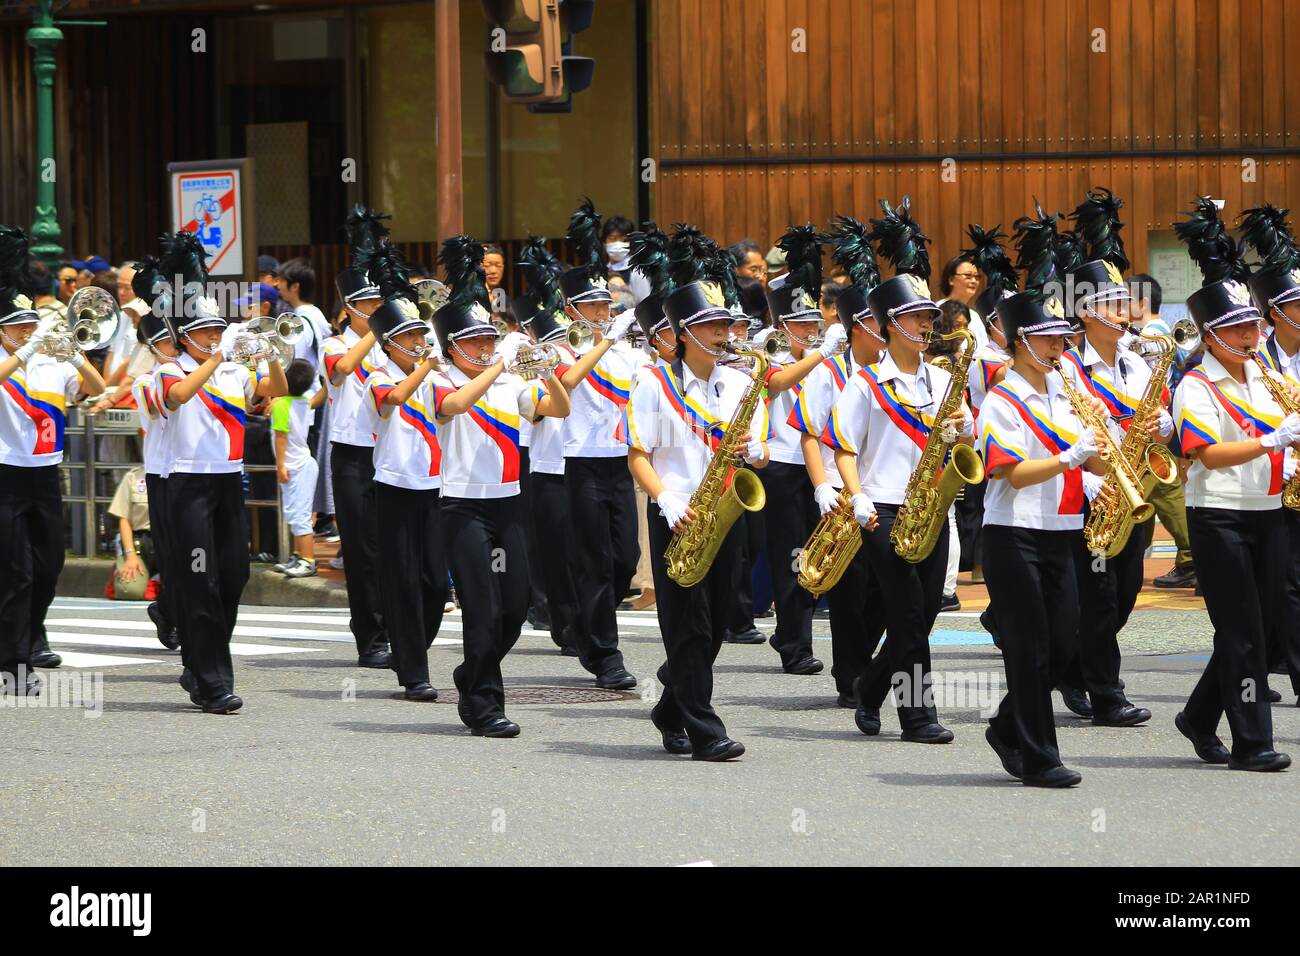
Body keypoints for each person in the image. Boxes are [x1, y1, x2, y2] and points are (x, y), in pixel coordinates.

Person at [825, 196, 970, 743]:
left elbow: (958, 439)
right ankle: (918, 715)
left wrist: (961, 430)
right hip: (883, 507)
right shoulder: (865, 384)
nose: (926, 324)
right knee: (908, 610)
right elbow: (843, 446)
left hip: (934, 505)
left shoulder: (939, 379)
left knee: (925, 612)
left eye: (929, 316)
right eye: (915, 317)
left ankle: (870, 686)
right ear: (890, 325)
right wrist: (855, 495)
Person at [625, 232, 770, 761]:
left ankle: (670, 709)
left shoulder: (737, 385)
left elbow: (761, 452)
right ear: (685, 333)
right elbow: (638, 454)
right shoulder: (655, 384)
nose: (724, 332)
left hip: (725, 511)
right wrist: (665, 501)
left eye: (725, 324)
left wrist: (757, 452)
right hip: (678, 511)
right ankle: (706, 730)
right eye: (713, 325)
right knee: (689, 625)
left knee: (714, 628)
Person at [430, 235, 571, 738]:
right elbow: (454, 408)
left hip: (509, 504)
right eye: (475, 341)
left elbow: (558, 409)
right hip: (462, 508)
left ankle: (470, 675)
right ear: (452, 347)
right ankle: (485, 704)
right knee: (483, 609)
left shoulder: (510, 383)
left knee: (513, 609)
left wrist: (549, 368)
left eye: (489, 339)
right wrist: (497, 366)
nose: (486, 347)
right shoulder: (442, 380)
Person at [1171, 196, 1292, 771]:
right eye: (1239, 329)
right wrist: (1274, 441)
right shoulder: (1195, 385)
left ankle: (1198, 716)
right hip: (1220, 513)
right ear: (1213, 335)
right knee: (1241, 632)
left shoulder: (1266, 379)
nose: (1252, 336)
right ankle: (1253, 742)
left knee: (1258, 628)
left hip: (1269, 508)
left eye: (1254, 325)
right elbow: (1208, 453)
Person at [153, 231, 286, 714]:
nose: (215, 336)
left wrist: (267, 348)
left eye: (218, 329)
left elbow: (276, 389)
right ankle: (211, 680)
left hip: (229, 480)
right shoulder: (167, 370)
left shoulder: (234, 371)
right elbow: (179, 397)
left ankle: (199, 660)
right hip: (187, 483)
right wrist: (215, 357)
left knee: (232, 577)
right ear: (186, 337)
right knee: (198, 580)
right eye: (206, 332)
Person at [979, 288, 1106, 788]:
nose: (1060, 346)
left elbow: (1092, 459)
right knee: (1029, 647)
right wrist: (1069, 459)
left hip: (1063, 526)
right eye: (1049, 339)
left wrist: (1105, 449)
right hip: (1014, 531)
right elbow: (1010, 472)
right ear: (1020, 342)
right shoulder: (1001, 400)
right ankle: (1040, 757)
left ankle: (1008, 726)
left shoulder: (1066, 394)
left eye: (1061, 338)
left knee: (1062, 644)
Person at [1055, 189, 1160, 729]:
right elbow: (1067, 430)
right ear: (1088, 312)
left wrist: (1164, 425)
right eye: (1115, 306)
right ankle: (1106, 693)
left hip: (1132, 490)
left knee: (1124, 593)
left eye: (1126, 304)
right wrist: (1095, 477)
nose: (1126, 313)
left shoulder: (1137, 366)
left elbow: (1149, 419)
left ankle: (1072, 668)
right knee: (1097, 594)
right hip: (1090, 493)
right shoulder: (1067, 369)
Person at [0, 225, 108, 692]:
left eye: (29, 324)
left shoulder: (54, 359)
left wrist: (73, 346)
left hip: (45, 474)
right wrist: (26, 346)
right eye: (17, 326)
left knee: (48, 568)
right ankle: (13, 666)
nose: (27, 331)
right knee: (15, 573)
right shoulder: (10, 360)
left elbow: (97, 388)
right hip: (5, 475)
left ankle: (30, 637)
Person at [787, 214, 887, 706]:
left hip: (888, 493)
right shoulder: (829, 370)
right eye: (872, 320)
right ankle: (851, 676)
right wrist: (822, 485)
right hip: (842, 493)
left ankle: (866, 665)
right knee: (850, 588)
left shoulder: (900, 367)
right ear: (854, 326)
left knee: (885, 594)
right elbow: (808, 433)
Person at [557, 198, 640, 690]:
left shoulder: (625, 351)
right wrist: (605, 341)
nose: (600, 312)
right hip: (581, 463)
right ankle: (606, 655)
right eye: (590, 305)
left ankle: (583, 627)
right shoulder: (560, 345)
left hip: (619, 463)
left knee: (625, 559)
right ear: (571, 309)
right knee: (594, 560)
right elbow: (566, 381)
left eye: (605, 305)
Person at [760, 225, 849, 675]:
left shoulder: (827, 356)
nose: (810, 332)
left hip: (824, 469)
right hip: (781, 466)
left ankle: (791, 629)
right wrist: (819, 354)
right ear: (781, 327)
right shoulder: (769, 355)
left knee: (821, 554)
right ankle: (795, 644)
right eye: (800, 326)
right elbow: (776, 385)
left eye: (814, 324)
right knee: (791, 554)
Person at [365, 248, 448, 702]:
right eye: (409, 336)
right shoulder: (376, 376)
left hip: (434, 485)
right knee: (402, 579)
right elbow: (392, 399)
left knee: (436, 581)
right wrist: (425, 368)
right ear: (388, 345)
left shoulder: (433, 376)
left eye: (421, 332)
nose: (419, 341)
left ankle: (410, 647)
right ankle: (414, 673)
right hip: (394, 486)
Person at [324, 207, 392, 668]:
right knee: (363, 549)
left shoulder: (395, 345)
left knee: (392, 545)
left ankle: (398, 626)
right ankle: (369, 635)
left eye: (378, 304)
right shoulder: (335, 342)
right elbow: (344, 370)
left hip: (390, 452)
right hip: (351, 455)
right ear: (350, 309)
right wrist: (378, 330)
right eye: (367, 307)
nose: (375, 312)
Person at [1240, 202, 1300, 706]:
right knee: (1279, 583)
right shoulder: (1251, 359)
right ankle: (1262, 669)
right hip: (1265, 476)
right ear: (1275, 312)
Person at [1128, 271, 1197, 589]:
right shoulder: (1155, 331)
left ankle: (1190, 556)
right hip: (1158, 421)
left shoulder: (1148, 333)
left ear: (1141, 302)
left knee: (1163, 492)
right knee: (1154, 494)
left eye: (1125, 300)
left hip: (1154, 421)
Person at [128, 259, 183, 650]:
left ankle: (174, 609)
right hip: (165, 470)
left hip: (205, 468)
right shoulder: (148, 376)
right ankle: (169, 609)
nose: (174, 347)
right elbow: (166, 403)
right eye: (165, 342)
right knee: (176, 549)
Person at [271, 359, 325, 578]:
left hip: (295, 466)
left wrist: (280, 465)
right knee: (295, 514)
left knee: (299, 516)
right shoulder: (303, 401)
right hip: (302, 465)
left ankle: (308, 561)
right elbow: (316, 400)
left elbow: (281, 437)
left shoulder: (281, 405)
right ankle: (297, 555)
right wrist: (329, 384)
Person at [936, 252, 988, 350]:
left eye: (977, 277)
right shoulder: (937, 311)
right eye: (968, 276)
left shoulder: (975, 316)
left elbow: (983, 350)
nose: (973, 281)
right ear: (951, 279)